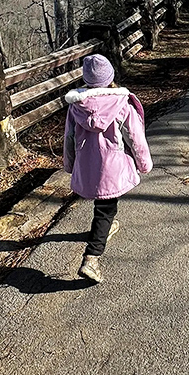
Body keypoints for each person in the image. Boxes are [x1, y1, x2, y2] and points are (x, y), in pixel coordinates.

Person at [63, 53, 153, 284]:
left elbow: (69, 138)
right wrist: (144, 164)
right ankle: (91, 258)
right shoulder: (122, 104)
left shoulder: (77, 107)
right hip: (112, 167)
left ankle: (106, 227)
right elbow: (135, 138)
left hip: (88, 165)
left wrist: (70, 165)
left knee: (102, 203)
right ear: (110, 77)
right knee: (106, 207)